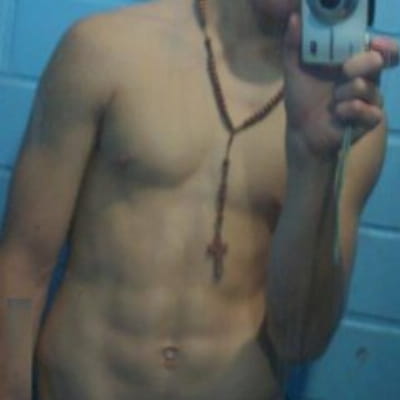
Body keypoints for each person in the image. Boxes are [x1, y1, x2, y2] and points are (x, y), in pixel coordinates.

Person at [0, 0, 398, 399]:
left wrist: (313, 162)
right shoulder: (104, 49)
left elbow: (300, 343)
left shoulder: (349, 119)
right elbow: (22, 266)